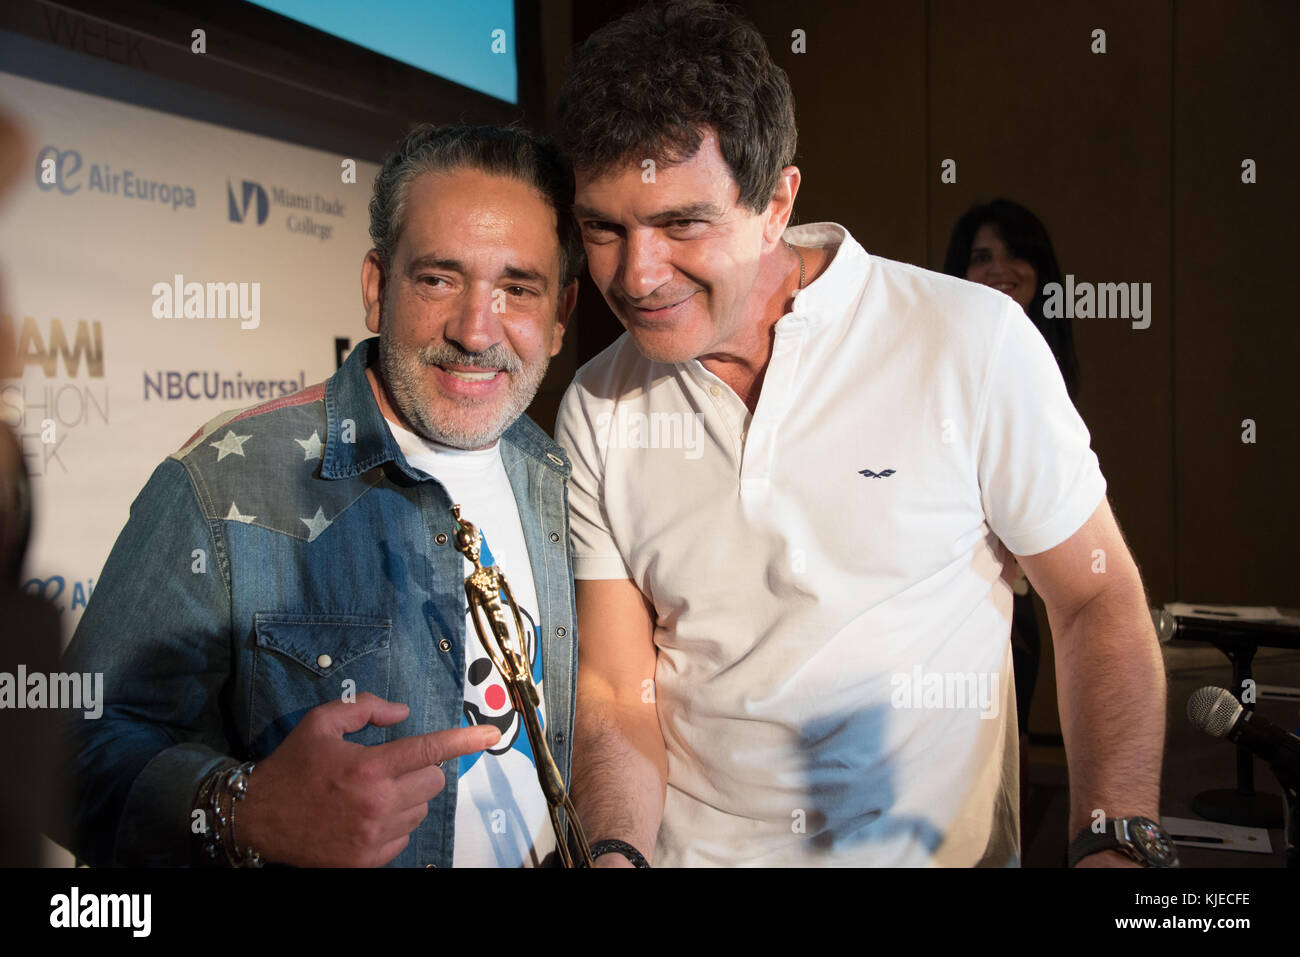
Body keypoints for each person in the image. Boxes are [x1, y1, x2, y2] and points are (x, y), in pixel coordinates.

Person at [553, 1, 1170, 868]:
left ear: (776, 201)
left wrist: (1115, 838)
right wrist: (615, 852)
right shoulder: (595, 402)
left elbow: (1095, 599)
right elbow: (620, 690)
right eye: (603, 227)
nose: (636, 274)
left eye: (681, 223)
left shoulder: (969, 340)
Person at [59, 124, 583, 868]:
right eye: (439, 278)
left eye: (516, 288)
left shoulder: (561, 479)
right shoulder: (224, 483)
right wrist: (244, 806)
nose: (475, 329)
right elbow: (67, 744)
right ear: (377, 287)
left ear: (559, 316)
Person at [944, 199, 1081, 832]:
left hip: (1026, 579)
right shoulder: (946, 350)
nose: (1000, 269)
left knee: (1011, 731)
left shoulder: (1047, 353)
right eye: (980, 257)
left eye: (1013, 252)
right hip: (958, 580)